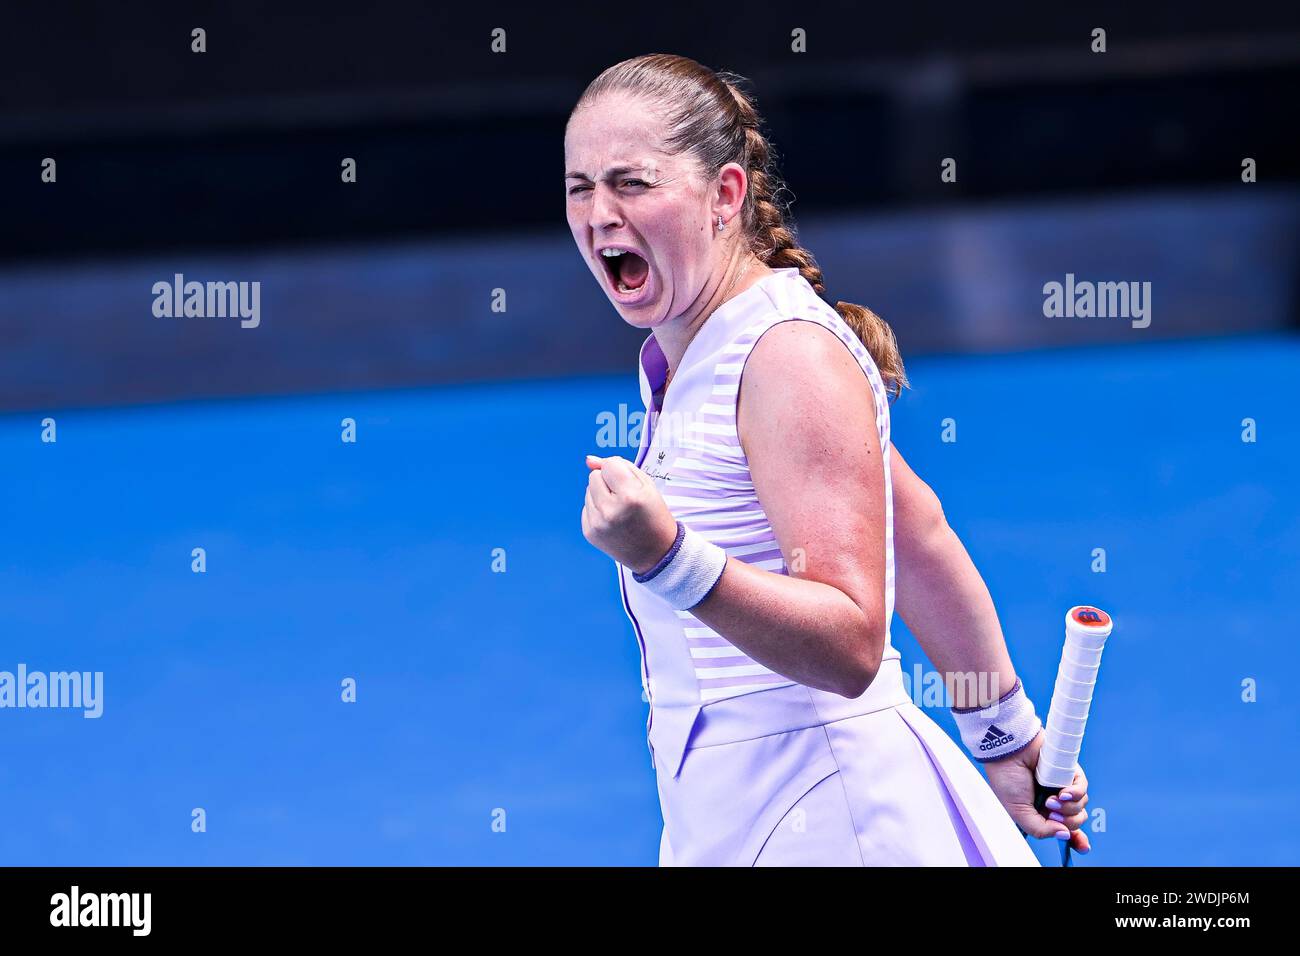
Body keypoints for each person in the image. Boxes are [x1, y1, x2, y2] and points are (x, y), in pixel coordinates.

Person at [567, 53, 1089, 865]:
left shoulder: (785, 358)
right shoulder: (704, 348)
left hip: (829, 818)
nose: (600, 213)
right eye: (580, 186)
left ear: (725, 195)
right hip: (741, 809)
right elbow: (914, 535)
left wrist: (666, 558)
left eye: (632, 183)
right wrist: (1002, 732)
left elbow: (850, 645)